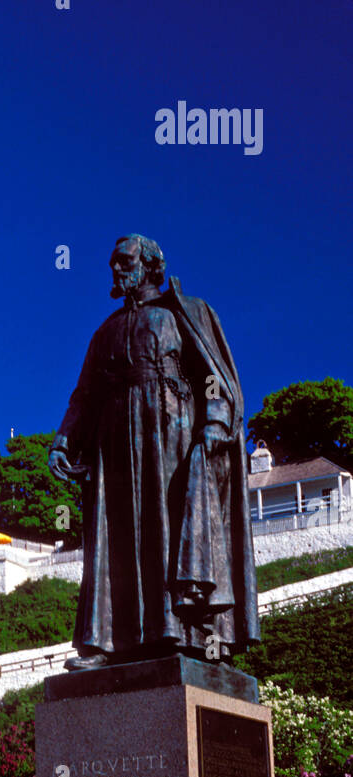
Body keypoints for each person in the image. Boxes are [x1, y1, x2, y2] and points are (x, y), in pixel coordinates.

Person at [49, 234, 259, 671]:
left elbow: (212, 377)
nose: (116, 270)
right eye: (112, 263)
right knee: (116, 542)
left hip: (172, 442)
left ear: (150, 265)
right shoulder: (104, 333)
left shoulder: (182, 314)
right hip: (115, 446)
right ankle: (107, 644)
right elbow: (84, 396)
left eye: (124, 261)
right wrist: (64, 440)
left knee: (168, 533)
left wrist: (215, 422)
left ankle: (181, 634)